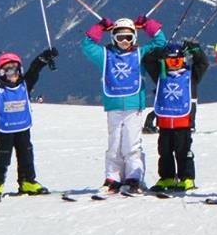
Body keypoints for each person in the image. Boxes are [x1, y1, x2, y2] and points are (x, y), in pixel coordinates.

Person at [81, 16, 166, 195]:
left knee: (131, 143)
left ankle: (134, 177)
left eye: (128, 37)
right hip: (114, 105)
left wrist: (148, 25)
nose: (124, 41)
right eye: (120, 37)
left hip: (134, 106)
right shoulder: (105, 56)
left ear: (134, 37)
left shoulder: (140, 54)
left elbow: (160, 43)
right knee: (114, 143)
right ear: (113, 38)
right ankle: (113, 178)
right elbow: (87, 46)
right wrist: (99, 27)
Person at [0, 46, 56, 199]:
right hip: (5, 130)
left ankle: (27, 181)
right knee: (3, 157)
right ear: (0, 73)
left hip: (22, 127)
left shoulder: (25, 85)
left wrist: (44, 58)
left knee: (26, 154)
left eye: (15, 70)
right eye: (7, 71)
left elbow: (34, 71)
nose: (12, 74)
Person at [143, 39, 208, 193]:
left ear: (183, 60)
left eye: (178, 60)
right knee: (164, 152)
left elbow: (202, 64)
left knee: (183, 151)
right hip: (164, 122)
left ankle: (187, 178)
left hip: (183, 123)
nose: (174, 63)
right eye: (170, 60)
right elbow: (148, 61)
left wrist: (196, 50)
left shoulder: (191, 76)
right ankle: (167, 177)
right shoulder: (160, 75)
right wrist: (159, 52)